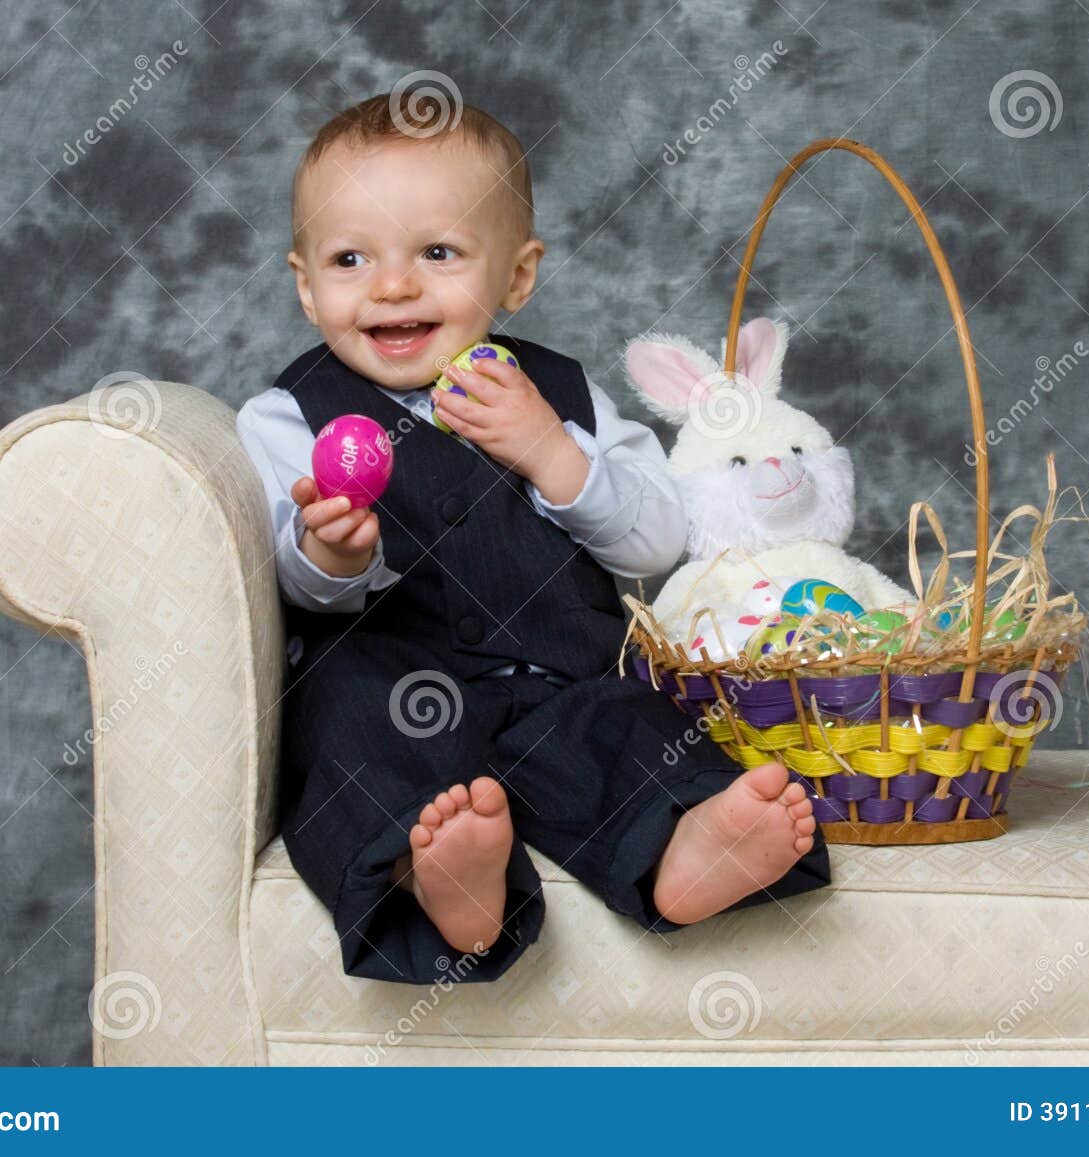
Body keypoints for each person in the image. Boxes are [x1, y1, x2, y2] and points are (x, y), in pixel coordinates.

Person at [236, 92, 829, 985]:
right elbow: (284, 577)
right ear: (305, 283)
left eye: (438, 253)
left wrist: (554, 453)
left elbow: (657, 539)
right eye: (350, 258)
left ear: (516, 276)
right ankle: (438, 881)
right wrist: (334, 555)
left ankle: (681, 851)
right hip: (395, 681)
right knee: (348, 725)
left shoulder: (563, 394)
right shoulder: (287, 416)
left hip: (556, 683)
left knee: (626, 725)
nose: (393, 286)